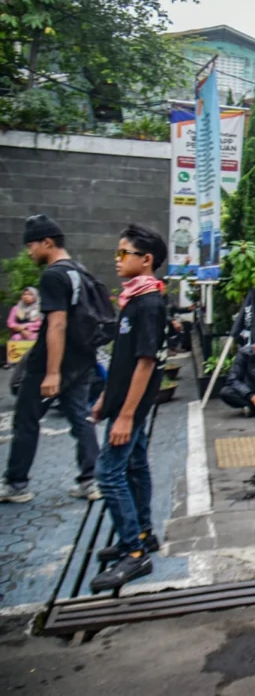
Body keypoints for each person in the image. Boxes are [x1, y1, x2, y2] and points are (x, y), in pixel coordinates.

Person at [88, 225, 168, 591]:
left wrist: (125, 413)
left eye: (123, 253)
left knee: (108, 474)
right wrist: (108, 397)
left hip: (132, 407)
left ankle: (134, 554)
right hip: (122, 402)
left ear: (145, 259)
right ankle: (142, 533)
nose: (117, 260)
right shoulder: (133, 299)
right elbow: (123, 359)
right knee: (135, 467)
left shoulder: (149, 302)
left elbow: (146, 362)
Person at [1, 215, 101, 504]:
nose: (29, 252)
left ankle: (17, 484)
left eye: (31, 245)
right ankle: (90, 480)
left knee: (26, 420)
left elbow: (57, 324)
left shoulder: (53, 275)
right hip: (82, 360)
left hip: (52, 362)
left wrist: (52, 372)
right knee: (80, 417)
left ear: (47, 242)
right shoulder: (79, 272)